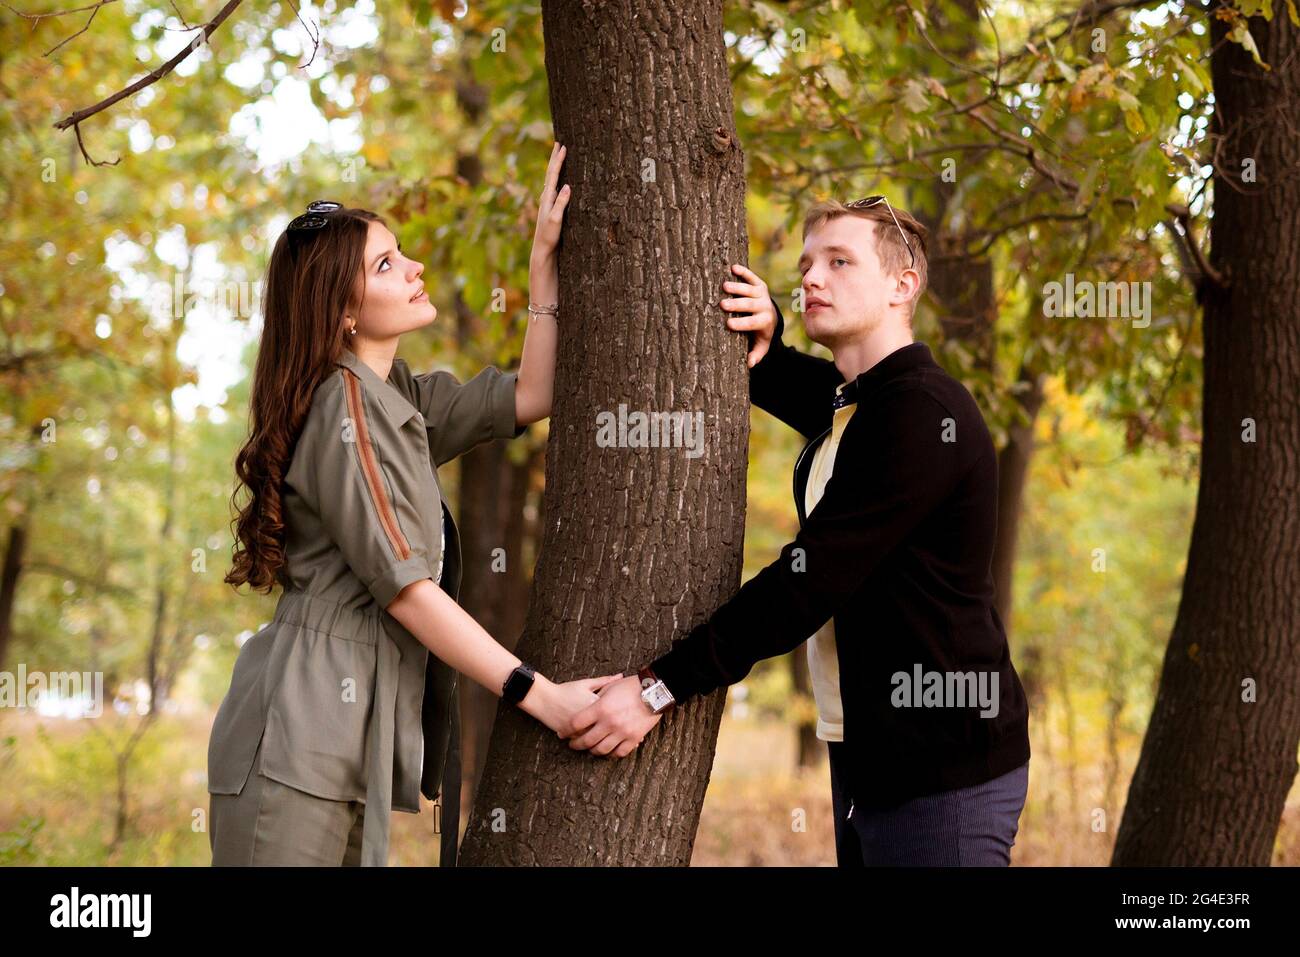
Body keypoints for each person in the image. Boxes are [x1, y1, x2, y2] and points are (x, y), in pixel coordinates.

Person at [567, 197, 1032, 866]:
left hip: (944, 765)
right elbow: (813, 393)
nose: (813, 277)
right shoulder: (865, 406)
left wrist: (655, 687)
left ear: (905, 285)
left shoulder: (923, 412)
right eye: (807, 264)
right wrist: (766, 344)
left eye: (841, 262)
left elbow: (805, 584)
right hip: (872, 756)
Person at [208, 143, 618, 866]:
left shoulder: (401, 399)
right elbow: (406, 591)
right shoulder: (343, 409)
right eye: (386, 265)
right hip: (293, 739)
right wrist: (543, 696)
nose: (414, 269)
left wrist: (543, 270)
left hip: (341, 739)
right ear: (341, 311)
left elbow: (534, 394)